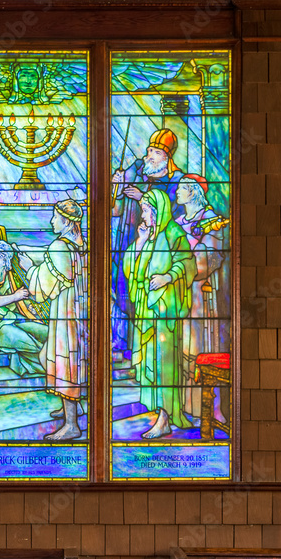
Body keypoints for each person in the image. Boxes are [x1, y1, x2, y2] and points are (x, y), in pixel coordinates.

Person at [123, 188, 196, 438]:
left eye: (145, 209)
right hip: (147, 309)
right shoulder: (148, 235)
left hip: (165, 310)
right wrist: (141, 242)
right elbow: (130, 269)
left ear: (157, 211)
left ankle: (165, 419)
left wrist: (168, 277)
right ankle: (160, 414)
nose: (142, 214)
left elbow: (188, 263)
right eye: (142, 209)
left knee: (164, 365)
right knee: (150, 366)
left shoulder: (173, 233)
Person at [18, 199, 88, 440]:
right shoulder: (82, 245)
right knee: (50, 357)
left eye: (55, 218)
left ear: (67, 222)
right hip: (81, 309)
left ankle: (72, 425)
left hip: (67, 312)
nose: (51, 222)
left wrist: (28, 268)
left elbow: (44, 284)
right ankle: (73, 405)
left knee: (66, 364)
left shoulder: (59, 246)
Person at [111, 128, 184, 339]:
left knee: (147, 297)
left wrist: (142, 196)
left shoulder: (176, 180)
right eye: (149, 150)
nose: (148, 156)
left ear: (167, 157)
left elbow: (170, 214)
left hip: (158, 250)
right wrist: (117, 187)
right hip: (129, 245)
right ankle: (127, 343)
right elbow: (115, 210)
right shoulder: (138, 174)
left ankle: (144, 344)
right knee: (125, 293)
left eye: (156, 152)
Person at [175, 174, 230, 422]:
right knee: (182, 350)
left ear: (195, 191)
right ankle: (186, 407)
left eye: (182, 188)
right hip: (178, 296)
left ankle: (209, 409)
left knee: (201, 349)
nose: (177, 192)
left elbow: (210, 260)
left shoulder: (211, 221)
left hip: (200, 296)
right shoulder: (177, 222)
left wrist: (182, 267)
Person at [0, 240, 48, 376]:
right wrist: (15, 296)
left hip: (12, 320)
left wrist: (32, 310)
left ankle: (48, 354)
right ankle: (46, 356)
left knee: (47, 331)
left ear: (6, 261)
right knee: (8, 332)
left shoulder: (11, 278)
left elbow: (24, 305)